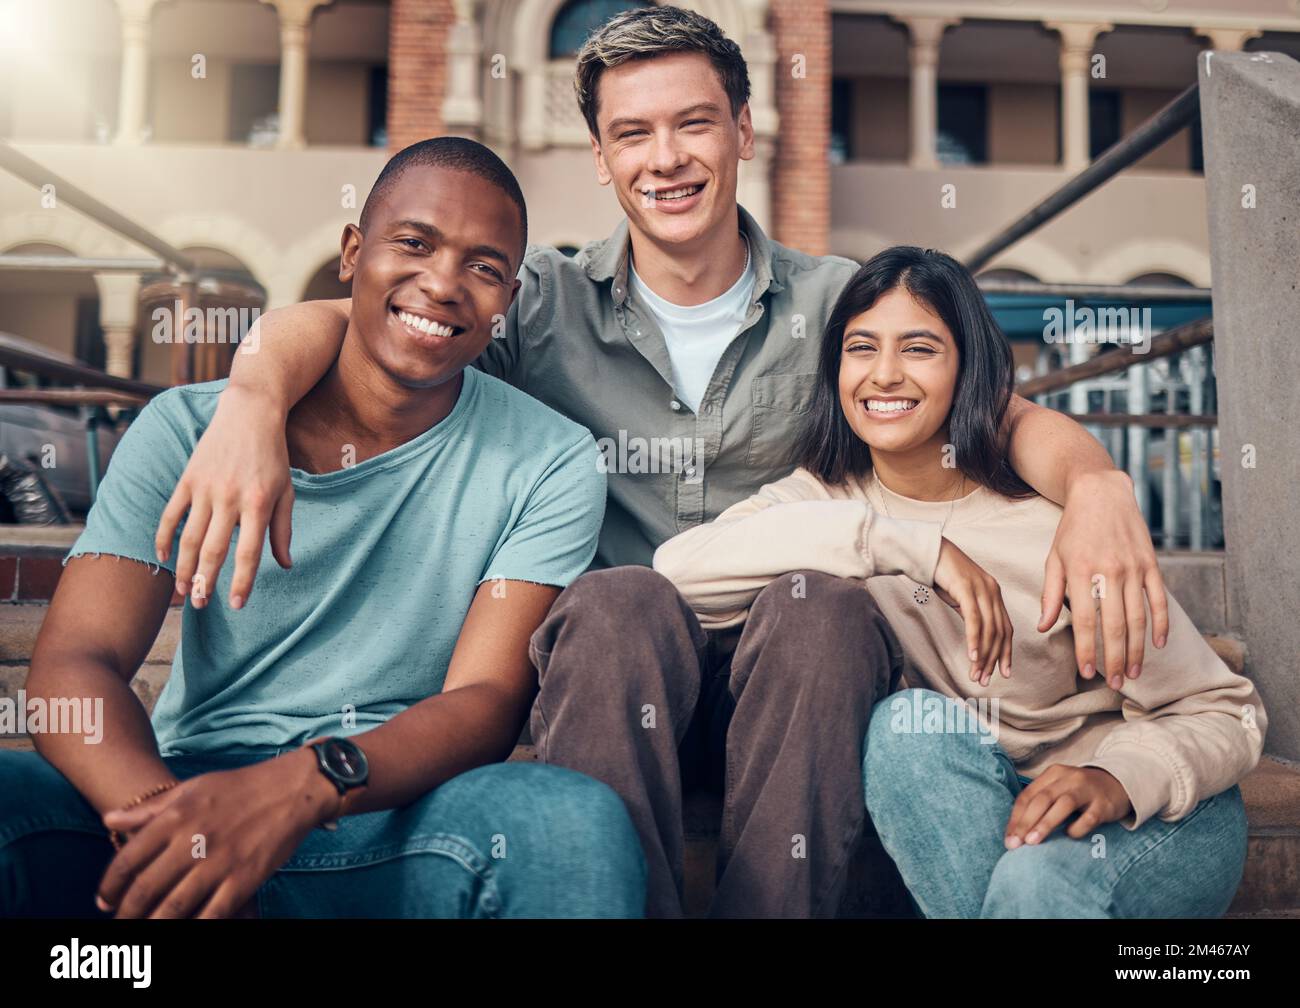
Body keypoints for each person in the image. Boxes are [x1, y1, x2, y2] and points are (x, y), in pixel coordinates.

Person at [146, 8, 1173, 918]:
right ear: (599, 157)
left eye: (692, 123)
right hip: (612, 674)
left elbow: (996, 411)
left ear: (742, 132)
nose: (665, 158)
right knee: (619, 599)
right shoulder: (536, 300)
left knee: (819, 605)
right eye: (631, 132)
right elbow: (358, 317)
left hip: (804, 685)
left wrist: (1095, 486)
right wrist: (249, 397)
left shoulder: (837, 305)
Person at [0, 137, 646, 919]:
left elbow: (483, 700)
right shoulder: (188, 429)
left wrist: (306, 786)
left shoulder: (550, 458)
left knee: (566, 821)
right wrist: (180, 838)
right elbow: (77, 661)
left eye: (481, 268)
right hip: (182, 788)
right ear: (352, 254)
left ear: (507, 298)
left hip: (382, 811)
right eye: (414, 242)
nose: (442, 284)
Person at [653, 246, 1265, 918]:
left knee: (1035, 885)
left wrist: (1116, 777)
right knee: (901, 732)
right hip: (976, 798)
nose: (884, 376)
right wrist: (910, 548)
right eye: (861, 348)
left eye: (919, 349)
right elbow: (678, 572)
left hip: (1154, 811)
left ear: (968, 373)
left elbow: (1221, 709)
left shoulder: (1055, 527)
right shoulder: (823, 508)